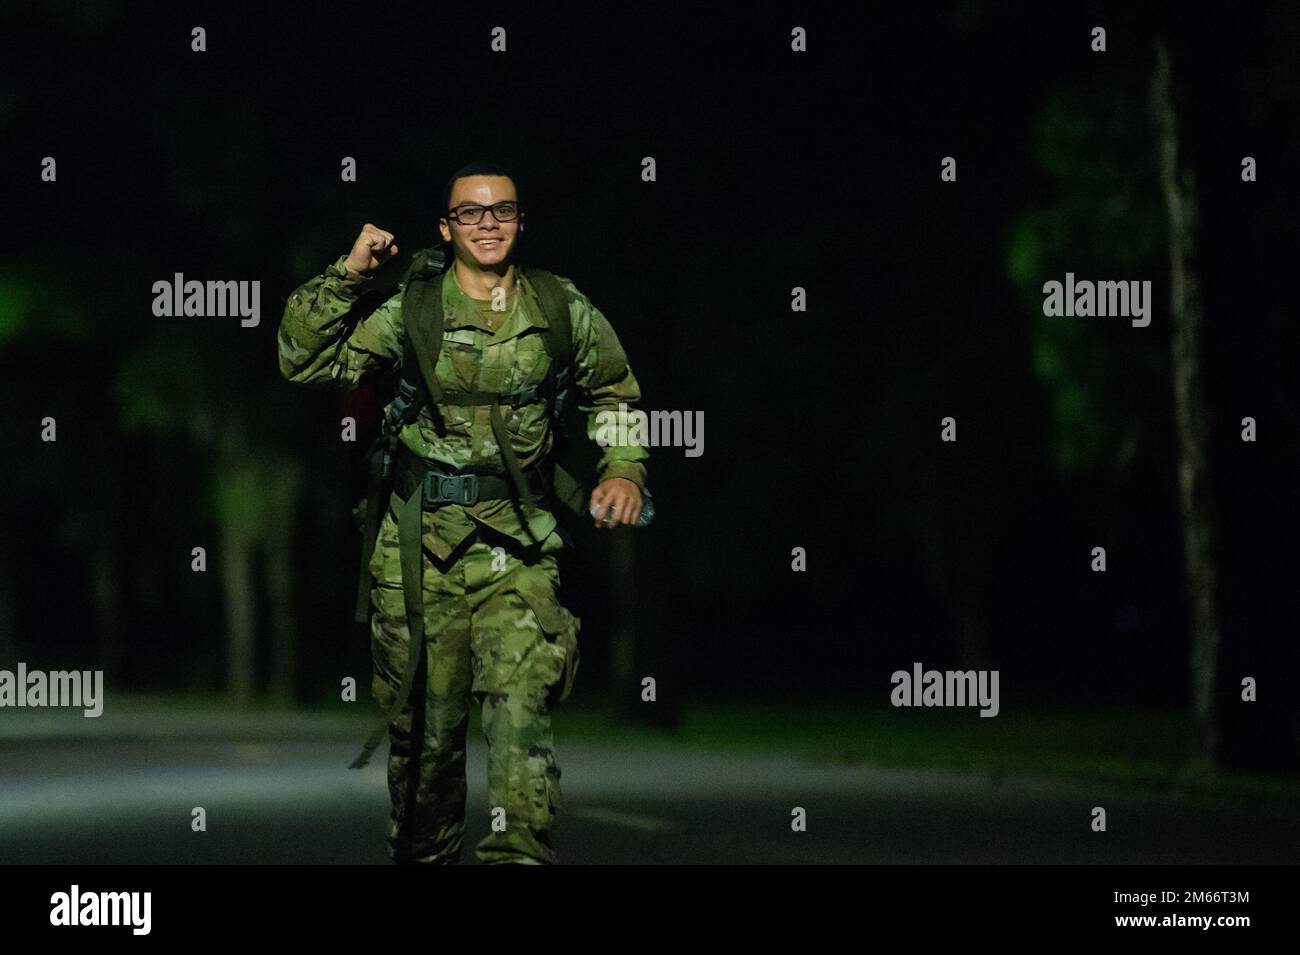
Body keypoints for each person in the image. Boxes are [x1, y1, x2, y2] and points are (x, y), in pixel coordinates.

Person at [277, 160, 650, 864]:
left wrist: (625, 469)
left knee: (523, 734)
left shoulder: (559, 306)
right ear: (446, 228)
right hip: (419, 555)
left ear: (520, 220)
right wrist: (351, 272)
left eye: (501, 210)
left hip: (522, 550)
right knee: (426, 752)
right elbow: (302, 358)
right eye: (471, 213)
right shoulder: (411, 309)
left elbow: (615, 393)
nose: (488, 223)